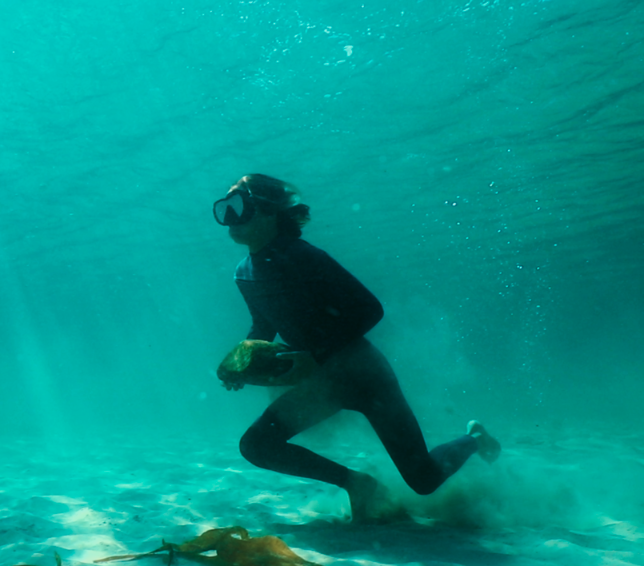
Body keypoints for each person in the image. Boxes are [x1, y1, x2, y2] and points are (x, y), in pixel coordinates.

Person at [213, 174, 501, 521]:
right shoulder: (244, 273)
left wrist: (314, 356)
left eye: (239, 208)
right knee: (256, 446)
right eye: (224, 209)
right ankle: (357, 484)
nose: (230, 219)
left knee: (423, 479)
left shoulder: (305, 257)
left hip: (366, 377)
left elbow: (370, 308)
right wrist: (243, 363)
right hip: (323, 384)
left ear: (269, 211)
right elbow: (264, 326)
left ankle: (474, 439)